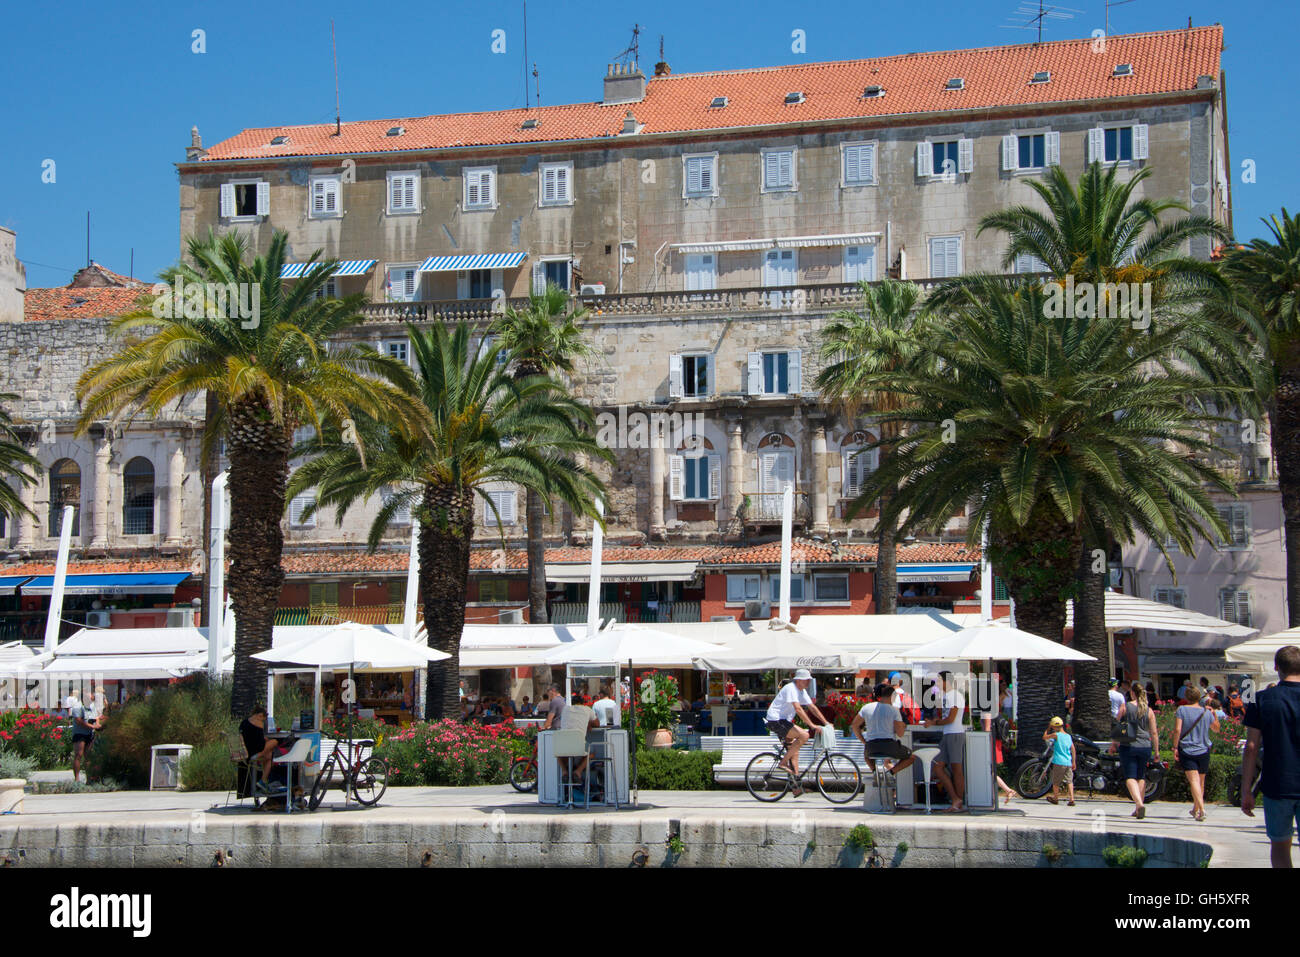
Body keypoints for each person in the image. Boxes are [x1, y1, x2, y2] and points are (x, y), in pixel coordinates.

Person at [1242, 645, 1300, 868]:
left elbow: (1252, 747)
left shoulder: (1261, 699)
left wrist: (1247, 790)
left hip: (1276, 784)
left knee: (1279, 846)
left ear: (1276, 667)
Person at [763, 669, 829, 797]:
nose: (808, 682)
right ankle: (782, 763)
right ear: (799, 680)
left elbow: (812, 707)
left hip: (784, 721)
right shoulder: (791, 688)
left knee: (795, 751)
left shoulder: (801, 691)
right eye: (806, 680)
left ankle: (796, 787)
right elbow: (798, 709)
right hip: (775, 720)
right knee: (804, 735)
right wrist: (812, 725)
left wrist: (826, 722)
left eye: (809, 680)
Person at [850, 682, 916, 780]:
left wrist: (864, 741)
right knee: (911, 757)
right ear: (893, 697)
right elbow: (900, 734)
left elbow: (854, 726)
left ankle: (874, 772)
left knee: (867, 754)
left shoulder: (867, 707)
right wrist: (901, 725)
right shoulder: (894, 710)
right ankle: (890, 773)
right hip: (889, 747)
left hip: (871, 747)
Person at [1115, 681, 1160, 820]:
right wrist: (1156, 751)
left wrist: (1113, 744)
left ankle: (1139, 804)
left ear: (1132, 693)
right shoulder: (1149, 710)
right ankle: (1137, 807)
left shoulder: (1126, 707)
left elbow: (1118, 726)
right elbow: (1154, 733)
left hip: (1129, 745)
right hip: (1145, 746)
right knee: (1141, 777)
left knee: (1130, 777)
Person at [1174, 686, 1219, 822]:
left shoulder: (1182, 710)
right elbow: (1216, 729)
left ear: (1186, 697)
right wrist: (1214, 714)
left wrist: (1175, 747)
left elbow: (1177, 730)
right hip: (1204, 750)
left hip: (1187, 749)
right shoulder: (1206, 712)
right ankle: (1196, 809)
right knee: (1201, 782)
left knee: (1193, 781)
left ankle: (1202, 809)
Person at [922, 671, 966, 812]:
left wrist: (935, 722)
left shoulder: (955, 696)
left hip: (955, 734)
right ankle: (956, 799)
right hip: (948, 734)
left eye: (939, 681)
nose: (937, 684)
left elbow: (950, 719)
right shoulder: (947, 696)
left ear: (947, 681)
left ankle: (958, 802)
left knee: (956, 769)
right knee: (938, 767)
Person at [239, 706, 287, 794]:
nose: (263, 722)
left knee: (269, 756)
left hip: (246, 751)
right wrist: (267, 740)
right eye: (263, 720)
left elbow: (252, 737)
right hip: (254, 752)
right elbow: (260, 743)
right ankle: (263, 781)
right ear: (260, 715)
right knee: (275, 742)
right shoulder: (258, 723)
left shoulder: (244, 722)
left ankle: (263, 781)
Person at [66, 693, 101, 784]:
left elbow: (96, 716)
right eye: (89, 698)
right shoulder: (77, 707)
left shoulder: (92, 706)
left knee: (88, 756)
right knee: (78, 755)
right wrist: (92, 726)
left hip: (89, 733)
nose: (91, 699)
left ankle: (89, 779)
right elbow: (79, 721)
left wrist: (97, 723)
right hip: (80, 733)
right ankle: (77, 779)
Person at [1044, 716, 1076, 807]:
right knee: (1069, 781)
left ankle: (1055, 798)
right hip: (1068, 762)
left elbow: (1044, 737)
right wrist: (1073, 762)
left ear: (1054, 726)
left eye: (1053, 727)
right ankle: (1072, 799)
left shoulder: (1055, 735)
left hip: (1058, 762)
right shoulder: (1068, 736)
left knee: (1056, 781)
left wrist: (1048, 728)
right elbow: (1073, 749)